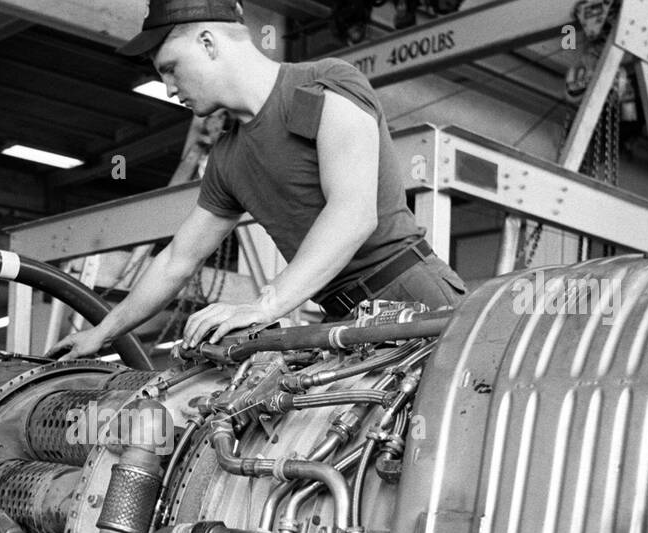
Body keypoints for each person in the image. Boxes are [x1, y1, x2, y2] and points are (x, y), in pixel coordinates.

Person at [48, 0, 466, 359]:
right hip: (340, 318)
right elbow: (178, 260)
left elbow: (353, 215)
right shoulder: (227, 160)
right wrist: (101, 334)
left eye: (171, 69)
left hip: (413, 297)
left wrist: (265, 305)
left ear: (208, 43)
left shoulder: (317, 88)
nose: (169, 88)